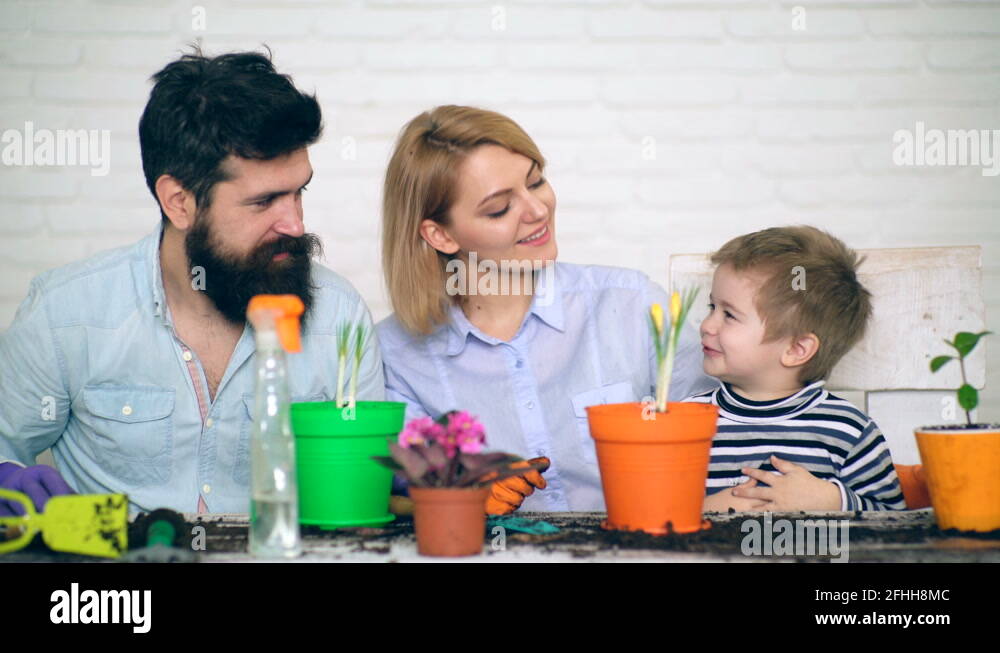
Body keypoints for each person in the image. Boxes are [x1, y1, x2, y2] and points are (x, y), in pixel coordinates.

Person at [0, 48, 384, 516]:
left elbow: (362, 499)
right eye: (264, 202)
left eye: (298, 191)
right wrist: (8, 475)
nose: (295, 224)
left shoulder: (339, 318)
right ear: (179, 202)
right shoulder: (65, 314)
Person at [376, 105, 716, 513]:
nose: (538, 211)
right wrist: (460, 496)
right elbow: (396, 496)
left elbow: (723, 449)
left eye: (535, 182)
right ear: (441, 235)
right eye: (499, 208)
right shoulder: (396, 358)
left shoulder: (635, 305)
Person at [688, 225, 905, 512]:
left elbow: (895, 518)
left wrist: (833, 501)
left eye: (728, 314)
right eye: (711, 307)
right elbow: (653, 512)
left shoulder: (848, 431)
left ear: (795, 350)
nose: (706, 325)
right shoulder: (687, 422)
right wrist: (702, 510)